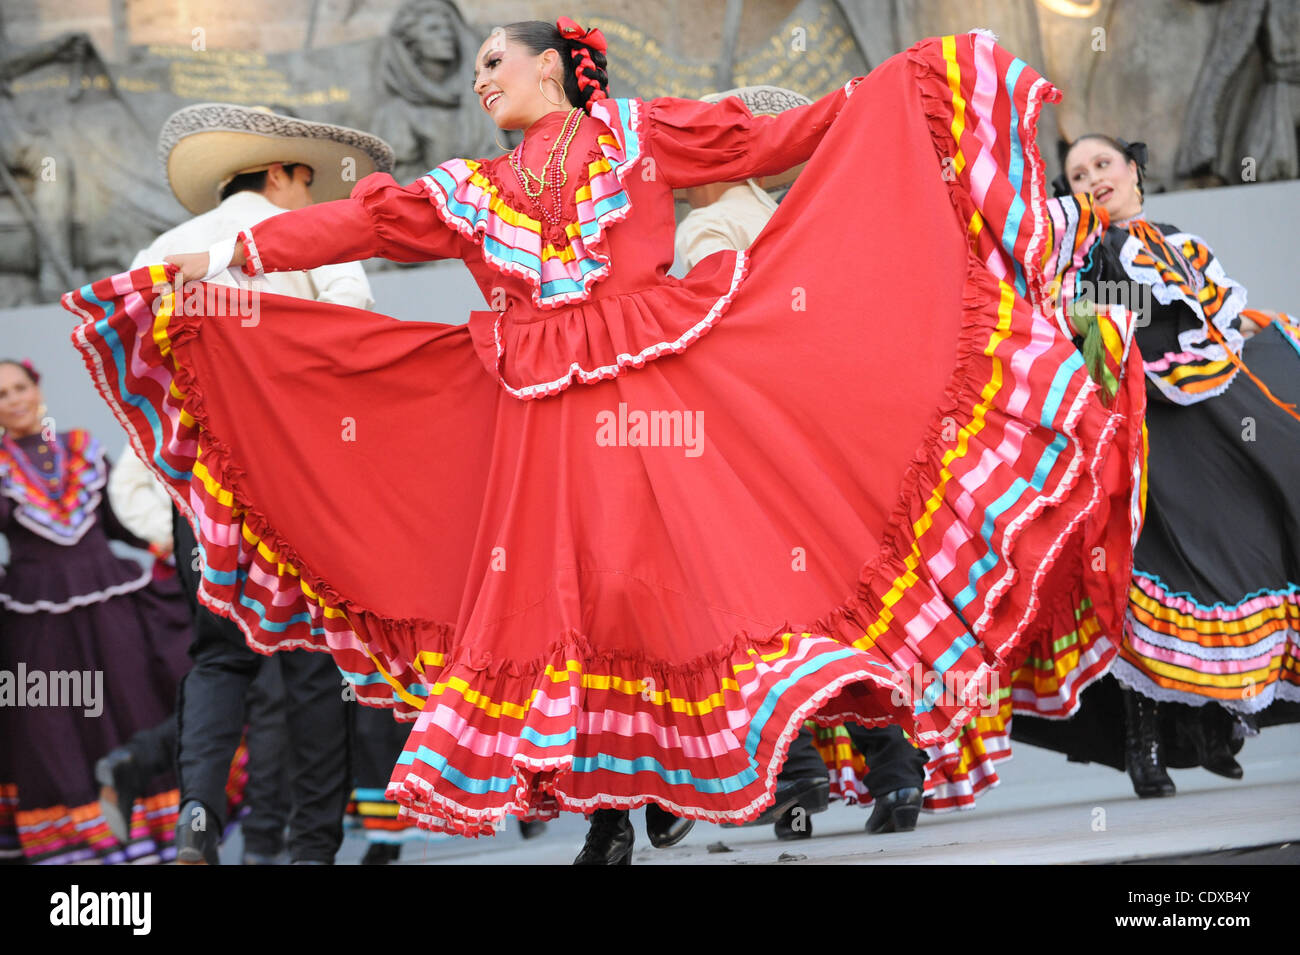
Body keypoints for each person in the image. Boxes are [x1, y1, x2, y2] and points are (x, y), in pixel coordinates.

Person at [64, 23, 1145, 865]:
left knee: (690, 586)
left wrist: (895, 90)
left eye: (497, 59)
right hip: (539, 427)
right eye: (479, 66)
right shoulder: (468, 189)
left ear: (553, 67)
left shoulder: (637, 132)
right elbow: (359, 221)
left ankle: (721, 780)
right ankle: (616, 811)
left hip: (660, 387)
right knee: (576, 610)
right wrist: (240, 250)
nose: (483, 77)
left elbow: (764, 139)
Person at [118, 102, 392, 863]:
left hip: (205, 485)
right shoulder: (314, 243)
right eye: (307, 184)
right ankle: (311, 848)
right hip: (296, 477)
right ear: (281, 174)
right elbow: (353, 347)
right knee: (311, 660)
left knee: (220, 655)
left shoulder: (163, 248)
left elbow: (152, 370)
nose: (311, 199)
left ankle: (199, 814)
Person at [1011, 134, 1300, 796]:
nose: (1091, 178)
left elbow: (1214, 320)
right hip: (1139, 441)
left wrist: (1258, 329)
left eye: (1102, 164)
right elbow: (1079, 341)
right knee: (1140, 576)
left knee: (1230, 558)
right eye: (1078, 174)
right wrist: (1108, 320)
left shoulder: (1176, 240)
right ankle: (1144, 744)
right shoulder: (1077, 259)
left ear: (1134, 168)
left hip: (1213, 431)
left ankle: (1213, 724)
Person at [0, 359, 193, 863]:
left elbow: (114, 521)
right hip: (35, 617)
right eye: (1, 395)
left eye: (19, 388)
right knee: (51, 720)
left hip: (110, 602)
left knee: (134, 702)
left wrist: (169, 544)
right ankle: (87, 843)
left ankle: (154, 831)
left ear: (36, 389)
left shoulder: (82, 448)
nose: (13, 400)